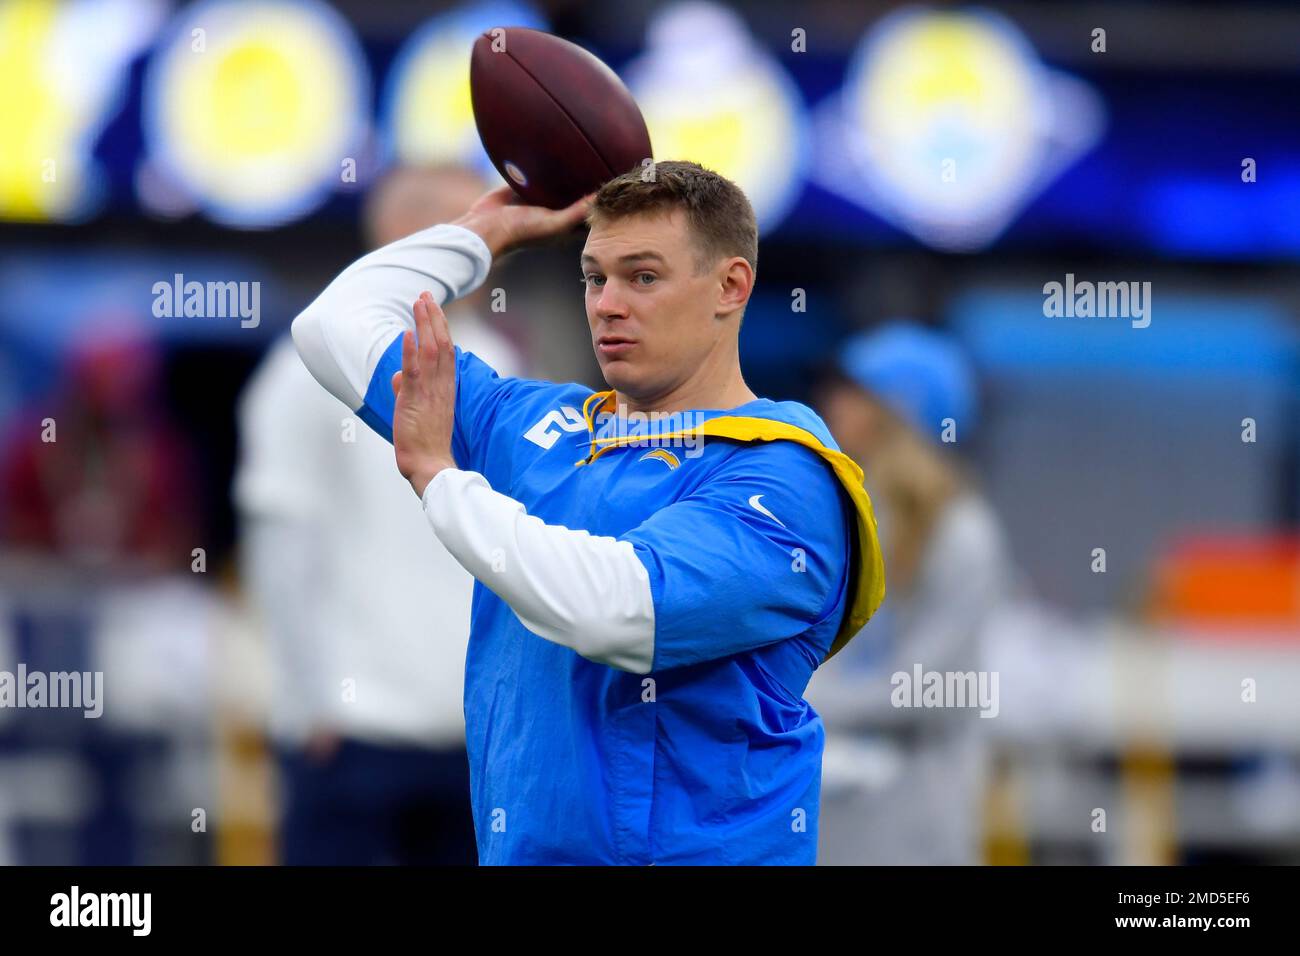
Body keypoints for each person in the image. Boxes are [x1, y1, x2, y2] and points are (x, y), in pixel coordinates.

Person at [290, 160, 886, 865]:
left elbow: (612, 610)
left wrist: (442, 480)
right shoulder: (542, 424)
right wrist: (483, 235)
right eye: (594, 277)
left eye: (643, 277)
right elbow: (332, 325)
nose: (607, 303)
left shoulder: (786, 476)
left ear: (731, 286)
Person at [234, 165, 523, 865]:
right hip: (353, 734)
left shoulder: (495, 356)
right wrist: (307, 705)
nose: (484, 249)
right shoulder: (309, 365)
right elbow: (281, 540)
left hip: (472, 737)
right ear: (402, 235)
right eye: (467, 229)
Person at [805, 321, 1011, 864]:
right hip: (835, 813)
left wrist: (804, 700)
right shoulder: (848, 515)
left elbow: (930, 689)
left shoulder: (962, 533)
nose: (833, 404)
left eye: (854, 391)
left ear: (896, 410)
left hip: (916, 819)